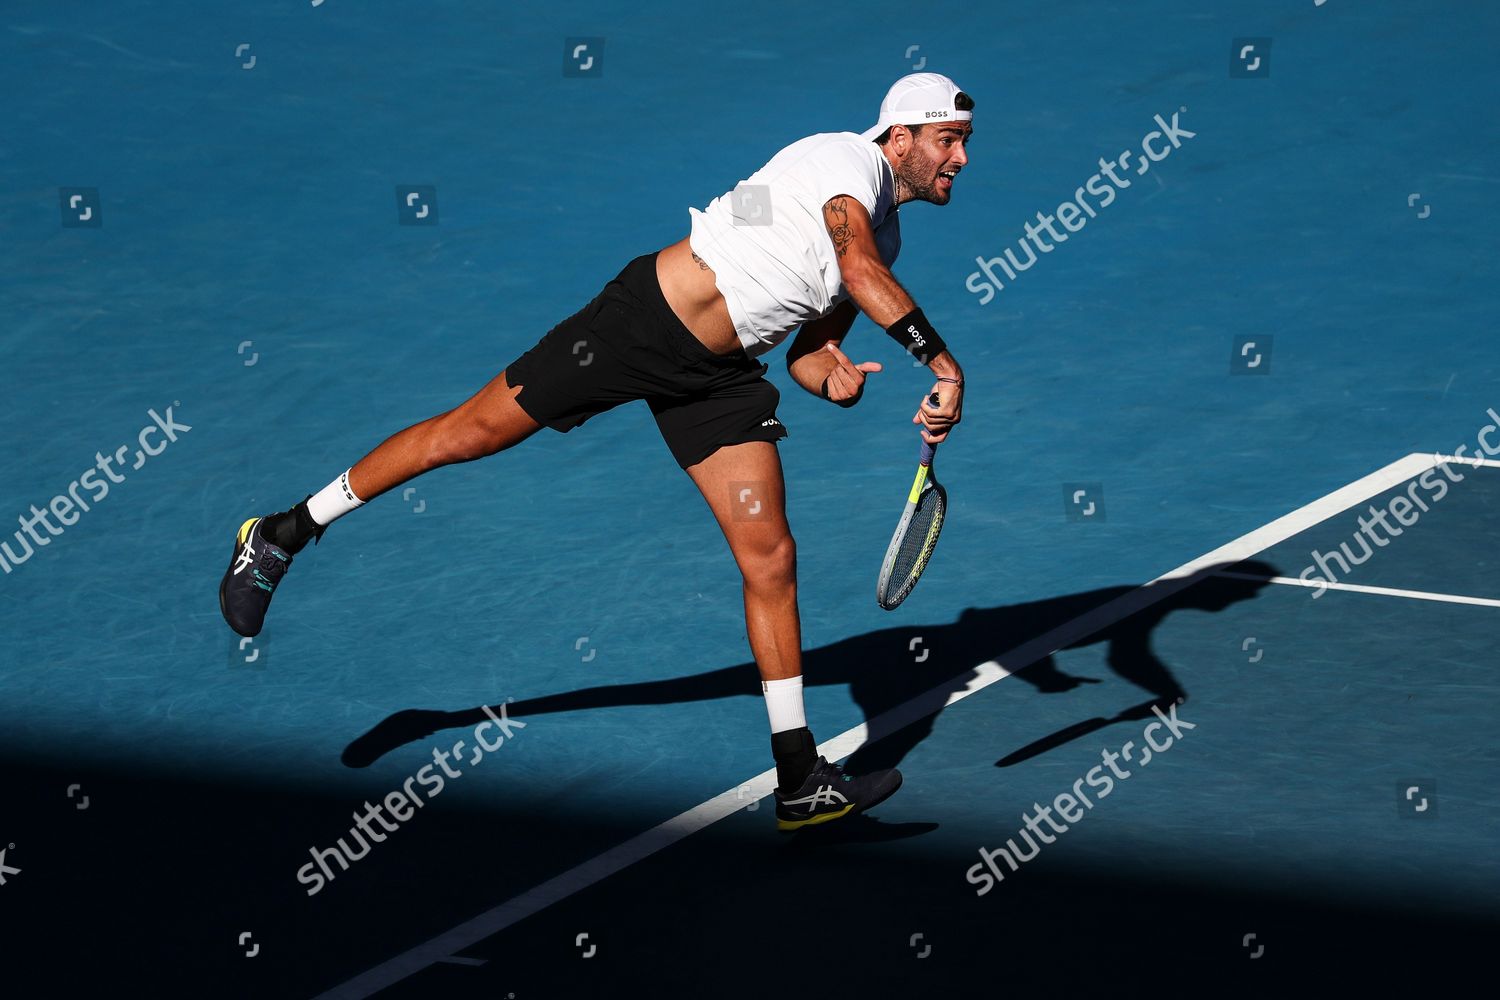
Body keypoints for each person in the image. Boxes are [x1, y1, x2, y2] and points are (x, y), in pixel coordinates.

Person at [219, 72, 974, 831]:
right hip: (638, 324)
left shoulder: (888, 236)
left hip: (716, 379)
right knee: (469, 433)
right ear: (899, 138)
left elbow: (811, 352)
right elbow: (856, 270)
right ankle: (283, 533)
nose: (961, 159)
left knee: (770, 556)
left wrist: (832, 381)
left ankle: (798, 777)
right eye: (949, 141)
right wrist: (940, 364)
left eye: (965, 143)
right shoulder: (846, 162)